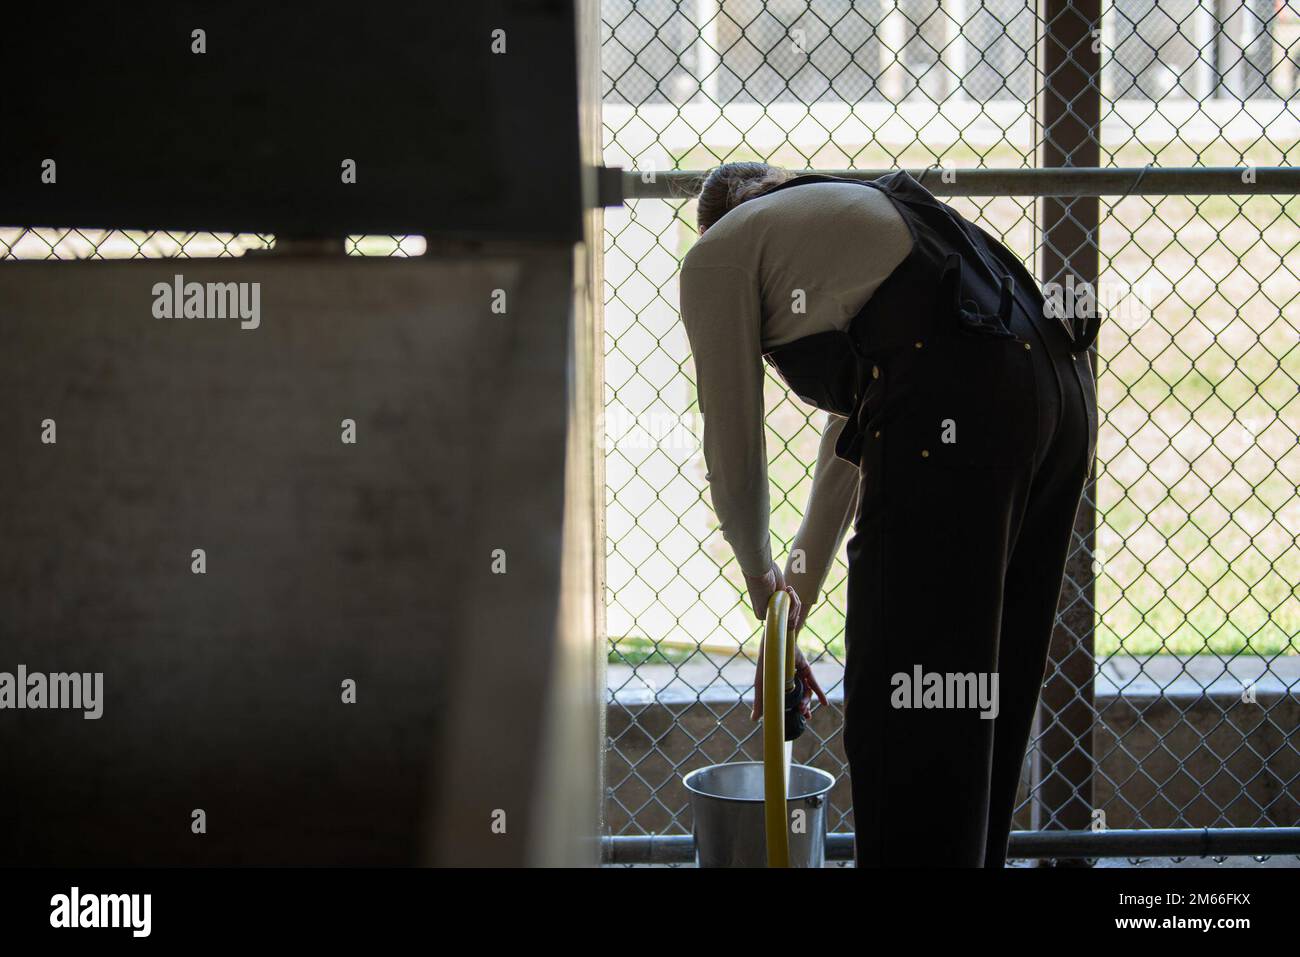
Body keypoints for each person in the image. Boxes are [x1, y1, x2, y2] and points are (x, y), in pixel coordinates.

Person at [679, 162, 1098, 867]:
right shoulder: (861, 214)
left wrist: (761, 589)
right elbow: (860, 437)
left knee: (906, 705)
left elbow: (731, 444)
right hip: (1055, 393)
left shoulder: (719, 251)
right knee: (976, 694)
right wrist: (790, 610)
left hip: (959, 393)